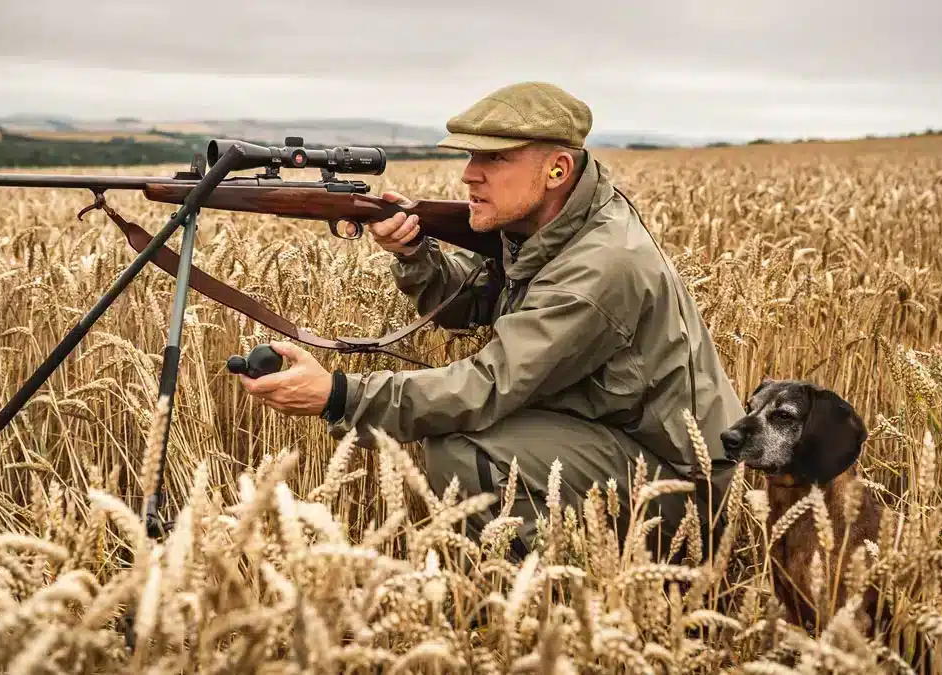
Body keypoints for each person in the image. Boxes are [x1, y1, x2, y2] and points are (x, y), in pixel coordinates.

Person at [236, 81, 744, 559]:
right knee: (462, 441)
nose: (468, 174)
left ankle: (555, 607)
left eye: (494, 158)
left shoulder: (600, 265)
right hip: (618, 442)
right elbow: (477, 302)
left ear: (557, 170)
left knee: (460, 452)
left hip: (684, 486)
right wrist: (416, 254)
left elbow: (487, 386)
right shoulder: (554, 224)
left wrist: (338, 395)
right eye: (470, 155)